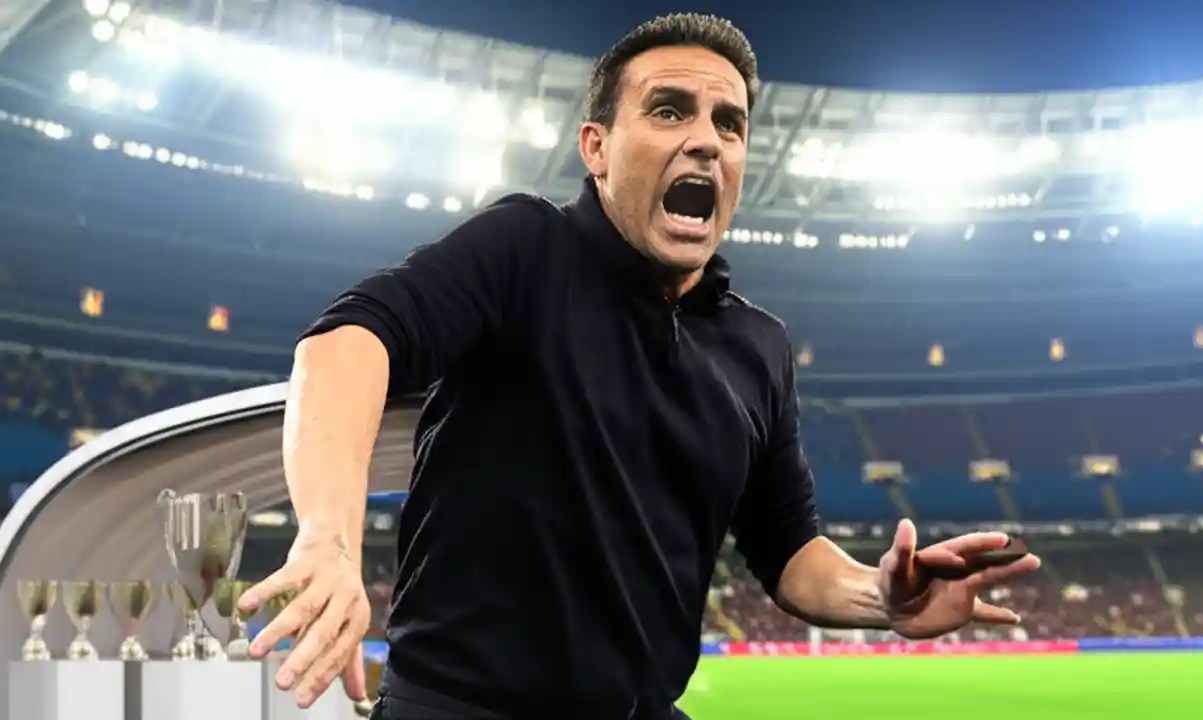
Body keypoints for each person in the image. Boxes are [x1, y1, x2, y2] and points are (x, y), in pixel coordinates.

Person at [238, 12, 1040, 719]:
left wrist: (883, 596)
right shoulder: (525, 248)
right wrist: (329, 541)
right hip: (460, 707)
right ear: (597, 147)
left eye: (730, 124)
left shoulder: (758, 348)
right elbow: (348, 342)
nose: (706, 138)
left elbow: (791, 554)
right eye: (668, 109)